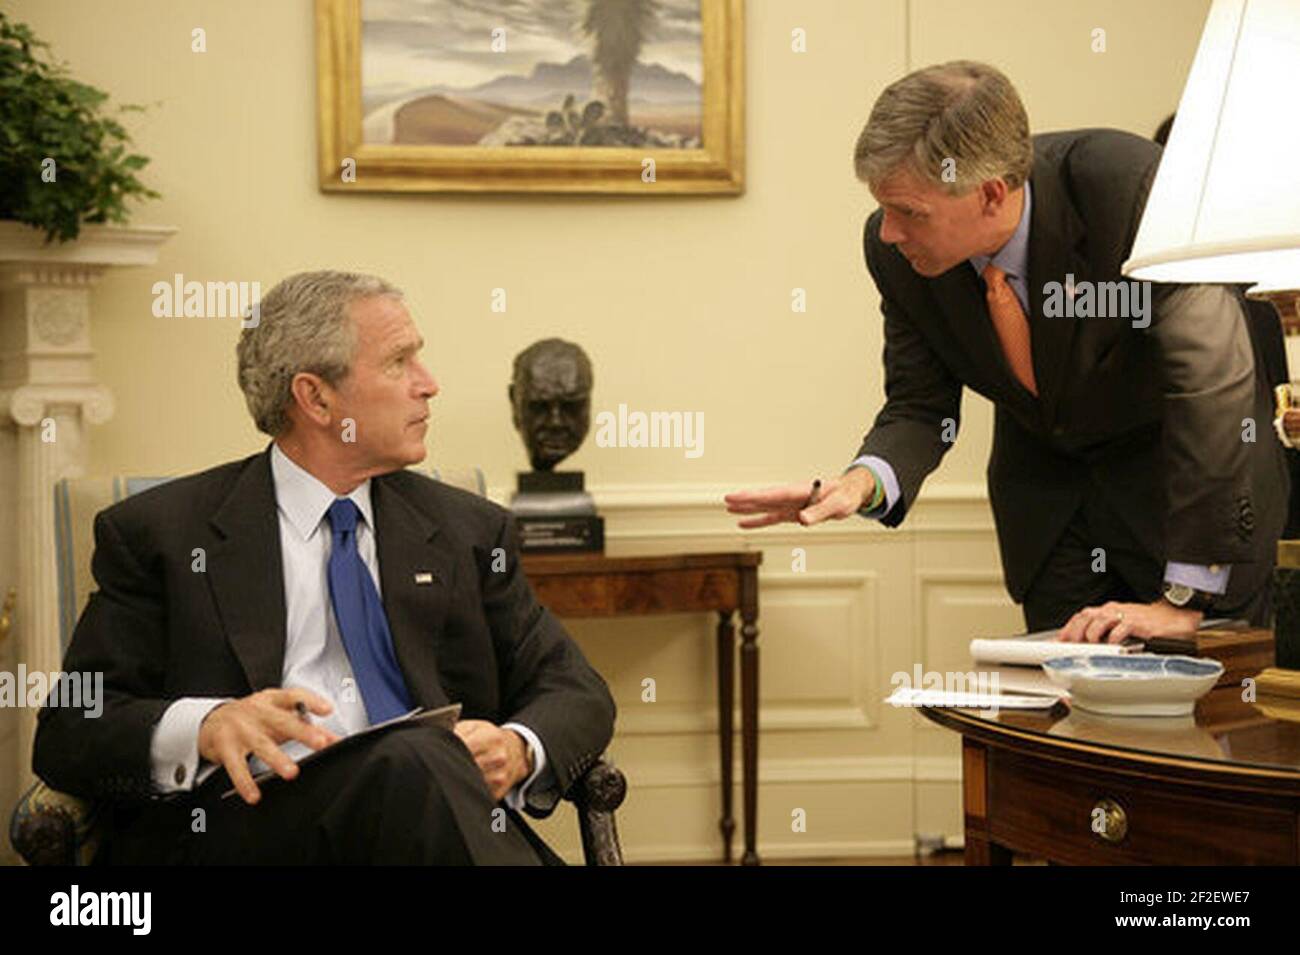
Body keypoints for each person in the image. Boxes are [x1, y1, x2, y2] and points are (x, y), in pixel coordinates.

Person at [34, 270, 616, 864]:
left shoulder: (467, 531)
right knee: (414, 755)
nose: (429, 384)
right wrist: (209, 725)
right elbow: (72, 728)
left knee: (416, 761)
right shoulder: (162, 533)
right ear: (315, 398)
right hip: (247, 829)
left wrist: (517, 747)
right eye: (399, 362)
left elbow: (575, 687)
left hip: (426, 823)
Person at [726, 61, 1288, 644]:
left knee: (1209, 727)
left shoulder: (1130, 191)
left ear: (991, 194)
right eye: (884, 207)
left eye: (909, 213)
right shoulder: (897, 253)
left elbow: (1212, 387)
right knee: (1062, 729)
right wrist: (862, 482)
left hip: (1188, 517)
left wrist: (1187, 597)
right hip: (1053, 528)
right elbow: (921, 407)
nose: (888, 231)